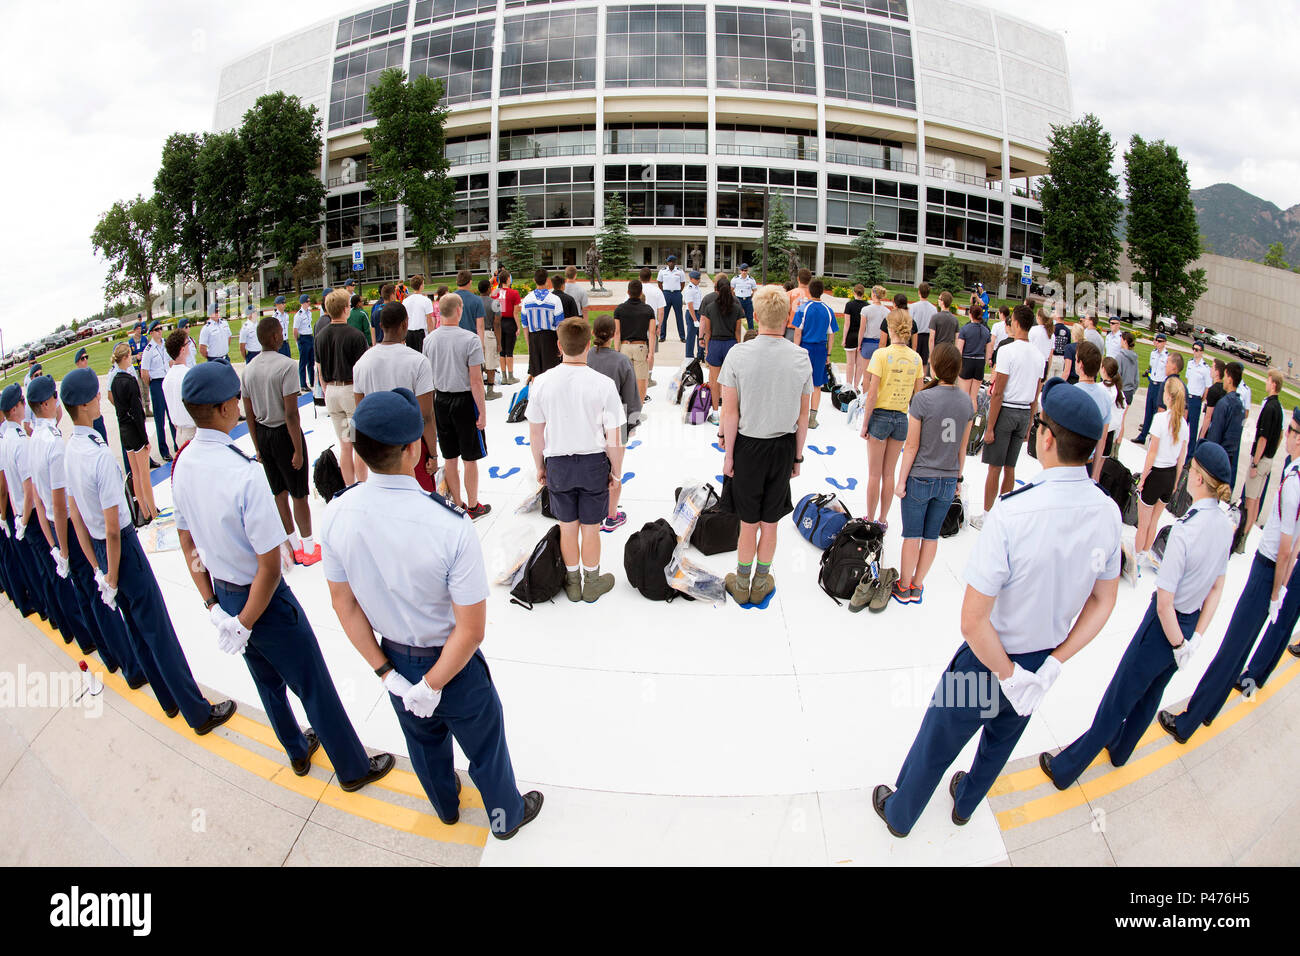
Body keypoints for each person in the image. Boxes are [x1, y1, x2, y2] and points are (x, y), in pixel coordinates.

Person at [873, 377, 1120, 838]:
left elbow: (972, 620)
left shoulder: (1014, 511)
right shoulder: (1107, 514)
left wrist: (1009, 673)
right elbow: (1104, 601)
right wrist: (1050, 665)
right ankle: (966, 803)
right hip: (1042, 659)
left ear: (1046, 437)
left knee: (940, 737)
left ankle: (902, 812)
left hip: (991, 659)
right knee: (1000, 742)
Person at [320, 388, 543, 836]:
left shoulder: (337, 514)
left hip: (394, 658)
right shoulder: (449, 524)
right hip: (452, 665)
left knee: (423, 745)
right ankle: (505, 817)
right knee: (485, 745)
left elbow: (343, 605)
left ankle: (445, 807)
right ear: (413, 449)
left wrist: (387, 674)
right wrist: (433, 683)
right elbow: (472, 629)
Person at [170, 360, 395, 786]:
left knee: (268, 683)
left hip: (227, 596)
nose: (239, 404)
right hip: (261, 603)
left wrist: (214, 604)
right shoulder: (243, 472)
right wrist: (246, 620)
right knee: (314, 684)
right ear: (221, 409)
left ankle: (295, 750)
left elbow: (188, 545)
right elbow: (270, 564)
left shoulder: (183, 464)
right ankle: (351, 767)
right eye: (234, 400)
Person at [1041, 442, 1235, 788]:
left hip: (1164, 629)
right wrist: (1193, 640)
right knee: (1150, 696)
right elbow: (1216, 589)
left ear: (1200, 480)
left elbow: (1164, 601)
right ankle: (1121, 751)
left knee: (1118, 698)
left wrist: (1175, 642)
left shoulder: (1186, 531)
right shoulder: (1224, 527)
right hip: (1188, 629)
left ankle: (1066, 769)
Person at [58, 367, 238, 735]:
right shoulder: (97, 455)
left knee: (137, 630)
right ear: (84, 404)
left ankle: (168, 699)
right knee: (157, 629)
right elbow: (111, 525)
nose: (99, 399)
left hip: (100, 549)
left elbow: (77, 516)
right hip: (120, 547)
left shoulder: (71, 451)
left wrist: (98, 570)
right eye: (95, 396)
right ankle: (196, 711)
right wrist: (110, 572)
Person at [1159, 410, 1300, 745]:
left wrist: (1278, 589)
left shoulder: (1294, 481)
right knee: (1240, 646)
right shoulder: (1293, 472)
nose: (1288, 435)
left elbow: (1287, 546)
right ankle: (1208, 709)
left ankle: (1190, 719)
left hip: (1268, 569)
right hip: (1272, 569)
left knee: (1233, 647)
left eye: (1292, 430)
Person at [26, 374, 143, 680]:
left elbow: (40, 499)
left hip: (56, 525)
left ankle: (108, 655)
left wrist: (54, 544)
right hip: (68, 527)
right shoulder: (53, 444)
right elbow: (60, 502)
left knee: (86, 594)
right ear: (48, 404)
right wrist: (63, 549)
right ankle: (128, 664)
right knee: (98, 597)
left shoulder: (34, 441)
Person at [717, 285, 811, 606]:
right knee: (769, 523)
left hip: (747, 448)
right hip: (783, 448)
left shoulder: (737, 354)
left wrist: (728, 456)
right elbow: (803, 415)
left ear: (755, 316)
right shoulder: (801, 358)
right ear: (789, 317)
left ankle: (741, 582)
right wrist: (797, 457)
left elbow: (730, 412)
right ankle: (761, 581)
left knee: (748, 523)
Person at [526, 317, 626, 603]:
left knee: (567, 528)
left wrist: (540, 467)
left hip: (558, 464)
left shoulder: (542, 383)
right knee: (592, 528)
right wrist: (616, 471)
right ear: (588, 345)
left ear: (559, 346)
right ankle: (592, 582)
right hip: (594, 464)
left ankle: (572, 583)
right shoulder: (604, 384)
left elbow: (536, 432)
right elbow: (614, 435)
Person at [882, 343, 973, 607]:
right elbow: (962, 447)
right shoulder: (966, 402)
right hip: (947, 479)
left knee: (912, 534)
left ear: (934, 366)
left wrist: (901, 481)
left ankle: (904, 585)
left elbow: (910, 446)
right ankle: (917, 586)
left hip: (920, 476)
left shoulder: (923, 399)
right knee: (931, 536)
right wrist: (958, 479)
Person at [2, 383, 77, 645]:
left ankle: (60, 622)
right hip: (33, 515)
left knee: (47, 575)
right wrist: (23, 521)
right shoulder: (22, 441)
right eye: (20, 403)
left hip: (29, 514)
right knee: (57, 578)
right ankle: (72, 628)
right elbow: (28, 488)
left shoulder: (15, 439)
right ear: (15, 409)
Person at [243, 318, 319, 565]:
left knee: (279, 493)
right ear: (276, 337)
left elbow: (250, 414)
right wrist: (297, 449)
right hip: (284, 433)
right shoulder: (286, 366)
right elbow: (291, 413)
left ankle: (293, 544)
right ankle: (307, 547)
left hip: (263, 434)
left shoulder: (249, 369)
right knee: (299, 493)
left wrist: (257, 447)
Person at [354, 302, 439, 492]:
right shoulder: (418, 361)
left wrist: (361, 452)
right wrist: (433, 454)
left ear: (381, 326)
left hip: (377, 448)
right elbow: (426, 416)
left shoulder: (362, 363)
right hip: (410, 446)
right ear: (404, 324)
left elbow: (358, 415)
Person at [972, 305, 1042, 529]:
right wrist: (1030, 423)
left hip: (1007, 410)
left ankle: (987, 516)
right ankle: (1002, 515)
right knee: (1010, 467)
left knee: (995, 466)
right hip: (1023, 412)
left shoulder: (1008, 351)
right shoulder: (1039, 355)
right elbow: (1036, 395)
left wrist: (990, 427)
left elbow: (998, 391)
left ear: (1017, 323)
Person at [423, 294, 491, 519]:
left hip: (440, 400)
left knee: (450, 456)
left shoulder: (429, 340)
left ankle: (458, 504)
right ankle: (473, 506)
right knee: (469, 457)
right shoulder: (469, 339)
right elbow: (476, 380)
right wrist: (481, 411)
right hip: (463, 401)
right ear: (459, 310)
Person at [860, 309, 923, 525]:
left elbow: (872, 393)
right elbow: (919, 397)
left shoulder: (881, 355)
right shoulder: (916, 358)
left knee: (874, 475)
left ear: (890, 328)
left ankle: (869, 518)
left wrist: (865, 423)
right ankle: (883, 519)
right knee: (889, 474)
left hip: (880, 416)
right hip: (901, 418)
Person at [587, 314, 640, 532]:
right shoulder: (622, 361)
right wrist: (631, 426)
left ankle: (594, 512)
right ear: (614, 334)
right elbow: (631, 399)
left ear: (592, 333)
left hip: (588, 421)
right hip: (615, 423)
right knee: (615, 470)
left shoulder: (586, 356)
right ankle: (611, 515)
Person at [316, 289, 370, 487]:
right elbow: (362, 370)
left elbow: (319, 369)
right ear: (346, 309)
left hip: (331, 391)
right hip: (350, 391)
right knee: (357, 443)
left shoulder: (320, 336)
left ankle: (349, 487)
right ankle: (362, 485)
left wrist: (326, 389)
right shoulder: (355, 336)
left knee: (345, 444)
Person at [1134, 377, 1189, 566]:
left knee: (1143, 524)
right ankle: (1143, 557)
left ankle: (1135, 560)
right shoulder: (1184, 425)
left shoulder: (1160, 419)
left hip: (1156, 473)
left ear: (1168, 396)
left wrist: (1142, 478)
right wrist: (1175, 483)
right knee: (1154, 521)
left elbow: (1152, 453)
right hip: (1170, 475)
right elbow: (1181, 459)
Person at [107, 343, 159, 521]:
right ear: (126, 358)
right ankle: (152, 511)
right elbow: (138, 413)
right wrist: (145, 439)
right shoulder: (129, 382)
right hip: (135, 432)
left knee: (136, 474)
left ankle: (143, 512)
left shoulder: (114, 381)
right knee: (144, 475)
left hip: (124, 430)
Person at [1241, 369, 1284, 544]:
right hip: (1269, 459)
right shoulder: (1279, 408)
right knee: (1256, 500)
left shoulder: (1270, 407)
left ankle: (1241, 537)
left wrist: (1255, 464)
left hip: (1261, 461)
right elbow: (1279, 435)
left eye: (1268, 380)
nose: (1266, 382)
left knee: (1250, 501)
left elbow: (1263, 439)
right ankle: (1246, 534)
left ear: (1273, 384)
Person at [791, 279, 838, 429]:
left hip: (805, 348)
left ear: (809, 291)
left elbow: (798, 332)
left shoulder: (803, 308)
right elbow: (831, 334)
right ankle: (812, 418)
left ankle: (799, 415)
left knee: (801, 382)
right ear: (822, 292)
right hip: (820, 349)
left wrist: (795, 350)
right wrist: (828, 355)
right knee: (817, 384)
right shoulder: (828, 310)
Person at [699, 274, 744, 422]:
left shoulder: (710, 307)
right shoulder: (737, 307)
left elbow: (708, 331)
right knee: (730, 381)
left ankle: (716, 413)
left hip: (715, 344)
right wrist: (738, 347)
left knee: (714, 380)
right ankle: (729, 411)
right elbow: (738, 331)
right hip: (731, 344)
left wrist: (706, 348)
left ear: (716, 290)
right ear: (731, 289)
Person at [1202, 361, 1246, 489]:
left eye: (1226, 376)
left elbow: (1215, 435)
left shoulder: (1224, 404)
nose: (1224, 379)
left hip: (1217, 459)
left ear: (1230, 379)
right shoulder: (1240, 405)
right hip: (1229, 460)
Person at [614, 279, 655, 403]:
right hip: (641, 346)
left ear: (628, 292)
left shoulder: (619, 309)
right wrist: (651, 353)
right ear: (641, 292)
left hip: (625, 346)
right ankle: (638, 409)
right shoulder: (648, 310)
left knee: (624, 379)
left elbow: (617, 332)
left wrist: (616, 351)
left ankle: (625, 405)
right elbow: (652, 333)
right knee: (642, 379)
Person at [521, 267, 566, 379]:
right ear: (547, 281)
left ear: (534, 280)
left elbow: (525, 325)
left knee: (535, 373)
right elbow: (559, 325)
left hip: (534, 338)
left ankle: (536, 395)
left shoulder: (527, 300)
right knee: (551, 373)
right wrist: (560, 345)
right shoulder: (554, 299)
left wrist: (529, 344)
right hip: (550, 339)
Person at [140, 320, 175, 461]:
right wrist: (153, 385)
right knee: (160, 419)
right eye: (157, 330)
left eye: (161, 329)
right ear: (151, 333)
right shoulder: (148, 350)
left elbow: (171, 361)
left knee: (172, 415)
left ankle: (177, 444)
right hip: (156, 383)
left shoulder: (166, 345)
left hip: (167, 380)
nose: (160, 331)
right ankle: (164, 450)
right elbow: (144, 373)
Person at [1132, 332, 1170, 444]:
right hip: (1152, 384)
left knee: (1157, 413)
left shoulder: (1167, 356)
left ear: (1164, 343)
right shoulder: (1153, 353)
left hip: (1160, 386)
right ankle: (1142, 435)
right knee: (1148, 411)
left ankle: (1153, 437)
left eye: (1160, 341)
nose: (1157, 343)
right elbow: (1151, 369)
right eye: (1156, 341)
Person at [161, 330, 197, 448]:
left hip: (179, 432)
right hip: (192, 432)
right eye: (188, 343)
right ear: (182, 349)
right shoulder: (188, 375)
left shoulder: (167, 379)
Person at [956, 302, 991, 409]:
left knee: (964, 395)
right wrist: (984, 363)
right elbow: (989, 351)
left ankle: (963, 421)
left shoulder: (965, 329)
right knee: (973, 397)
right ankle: (971, 423)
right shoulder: (986, 331)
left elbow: (959, 349)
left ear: (970, 314)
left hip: (967, 361)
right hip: (979, 362)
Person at [491, 271, 521, 386]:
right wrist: (518, 326)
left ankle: (503, 377)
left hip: (498, 322)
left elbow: (493, 310)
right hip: (510, 322)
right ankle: (511, 376)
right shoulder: (514, 293)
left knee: (501, 350)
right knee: (510, 351)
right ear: (508, 279)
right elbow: (515, 313)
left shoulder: (495, 293)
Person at [72, 349, 108, 442]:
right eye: (82, 358)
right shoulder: (75, 380)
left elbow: (98, 396)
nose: (85, 360)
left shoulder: (91, 375)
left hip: (97, 417)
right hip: (86, 422)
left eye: (86, 357)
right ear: (77, 363)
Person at [639, 265, 667, 382]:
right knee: (650, 352)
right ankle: (649, 378)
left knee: (639, 351)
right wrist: (659, 326)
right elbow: (661, 311)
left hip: (637, 324)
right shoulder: (657, 291)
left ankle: (639, 376)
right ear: (651, 278)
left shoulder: (635, 289)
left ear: (639, 277)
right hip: (652, 324)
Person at [1185, 341, 1212, 456]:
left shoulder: (1205, 368)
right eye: (1193, 349)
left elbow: (1207, 387)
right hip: (1187, 397)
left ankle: (1190, 454)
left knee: (1193, 429)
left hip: (1196, 399)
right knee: (1183, 425)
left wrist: (1201, 399)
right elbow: (1188, 379)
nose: (1194, 352)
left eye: (1197, 350)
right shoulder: (1190, 363)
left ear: (1202, 352)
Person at [478, 278, 502, 401]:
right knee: (490, 363)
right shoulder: (495, 303)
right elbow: (497, 323)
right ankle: (490, 391)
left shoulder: (475, 302)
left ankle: (480, 390)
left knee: (478, 364)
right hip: (489, 333)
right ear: (488, 289)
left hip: (476, 334)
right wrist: (499, 342)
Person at [1100, 356, 1128, 458]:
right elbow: (1119, 418)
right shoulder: (1120, 393)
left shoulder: (1100, 389)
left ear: (1103, 369)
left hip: (1100, 433)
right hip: (1110, 434)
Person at [858, 285, 889, 375]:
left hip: (867, 343)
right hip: (881, 343)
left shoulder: (866, 310)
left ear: (874, 294)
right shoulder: (887, 311)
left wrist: (859, 344)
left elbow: (862, 329)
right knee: (877, 375)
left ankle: (866, 389)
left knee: (866, 375)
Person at [909, 282, 938, 378]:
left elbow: (910, 323)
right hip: (927, 336)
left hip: (915, 336)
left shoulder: (913, 306)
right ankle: (923, 379)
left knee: (913, 360)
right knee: (924, 362)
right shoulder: (933, 309)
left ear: (919, 292)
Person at [842, 285, 867, 391]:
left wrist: (844, 338)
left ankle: (848, 385)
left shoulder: (849, 305)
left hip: (851, 335)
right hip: (862, 336)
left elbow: (846, 324)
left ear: (854, 293)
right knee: (860, 364)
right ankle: (856, 386)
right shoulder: (867, 306)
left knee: (850, 363)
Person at [657, 254, 687, 344]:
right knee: (664, 316)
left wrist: (677, 291)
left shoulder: (680, 272)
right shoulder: (662, 271)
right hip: (666, 294)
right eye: (669, 262)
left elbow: (682, 283)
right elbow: (659, 282)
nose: (670, 263)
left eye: (672, 262)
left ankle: (682, 337)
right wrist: (664, 291)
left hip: (677, 294)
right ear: (667, 262)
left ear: (675, 263)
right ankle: (662, 336)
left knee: (679, 316)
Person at [403, 275, 435, 352]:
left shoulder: (405, 301)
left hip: (409, 332)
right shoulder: (426, 301)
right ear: (421, 286)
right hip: (421, 333)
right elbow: (429, 320)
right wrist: (431, 335)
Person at [292, 294, 317, 391]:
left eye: (309, 301)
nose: (309, 303)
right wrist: (297, 341)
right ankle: (303, 384)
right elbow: (295, 330)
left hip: (310, 337)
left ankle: (312, 381)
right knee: (303, 362)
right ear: (303, 303)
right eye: (307, 301)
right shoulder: (299, 315)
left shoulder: (309, 313)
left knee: (311, 361)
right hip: (303, 338)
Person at [128, 321, 151, 415]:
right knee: (139, 389)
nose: (139, 330)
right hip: (136, 369)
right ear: (134, 330)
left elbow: (149, 351)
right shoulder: (130, 342)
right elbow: (128, 357)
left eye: (140, 329)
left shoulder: (145, 339)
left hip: (144, 367)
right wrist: (135, 357)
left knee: (146, 388)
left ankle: (147, 408)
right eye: (137, 329)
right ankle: (141, 409)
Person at [683, 270, 705, 360]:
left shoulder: (697, 287)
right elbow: (690, 305)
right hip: (692, 314)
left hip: (698, 312)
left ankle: (700, 355)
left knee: (701, 336)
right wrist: (695, 320)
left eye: (699, 278)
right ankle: (689, 356)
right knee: (691, 337)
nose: (698, 280)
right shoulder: (689, 289)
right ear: (691, 279)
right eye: (696, 279)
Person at [785, 268, 812, 341]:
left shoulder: (789, 294)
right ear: (810, 280)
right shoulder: (813, 296)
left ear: (798, 279)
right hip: (808, 330)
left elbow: (785, 315)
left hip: (792, 329)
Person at [1117, 330, 1139, 408]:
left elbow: (1117, 375)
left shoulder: (1120, 357)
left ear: (1125, 341)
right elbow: (1136, 378)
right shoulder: (1135, 358)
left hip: (1121, 391)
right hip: (1129, 392)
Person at [732, 263, 756, 330]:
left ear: (747, 270)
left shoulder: (751, 280)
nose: (744, 272)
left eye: (745, 270)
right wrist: (734, 298)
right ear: (740, 270)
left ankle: (751, 332)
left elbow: (755, 290)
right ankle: (734, 331)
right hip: (738, 300)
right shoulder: (735, 279)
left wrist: (751, 297)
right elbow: (731, 290)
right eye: (742, 270)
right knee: (736, 317)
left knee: (750, 317)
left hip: (748, 300)